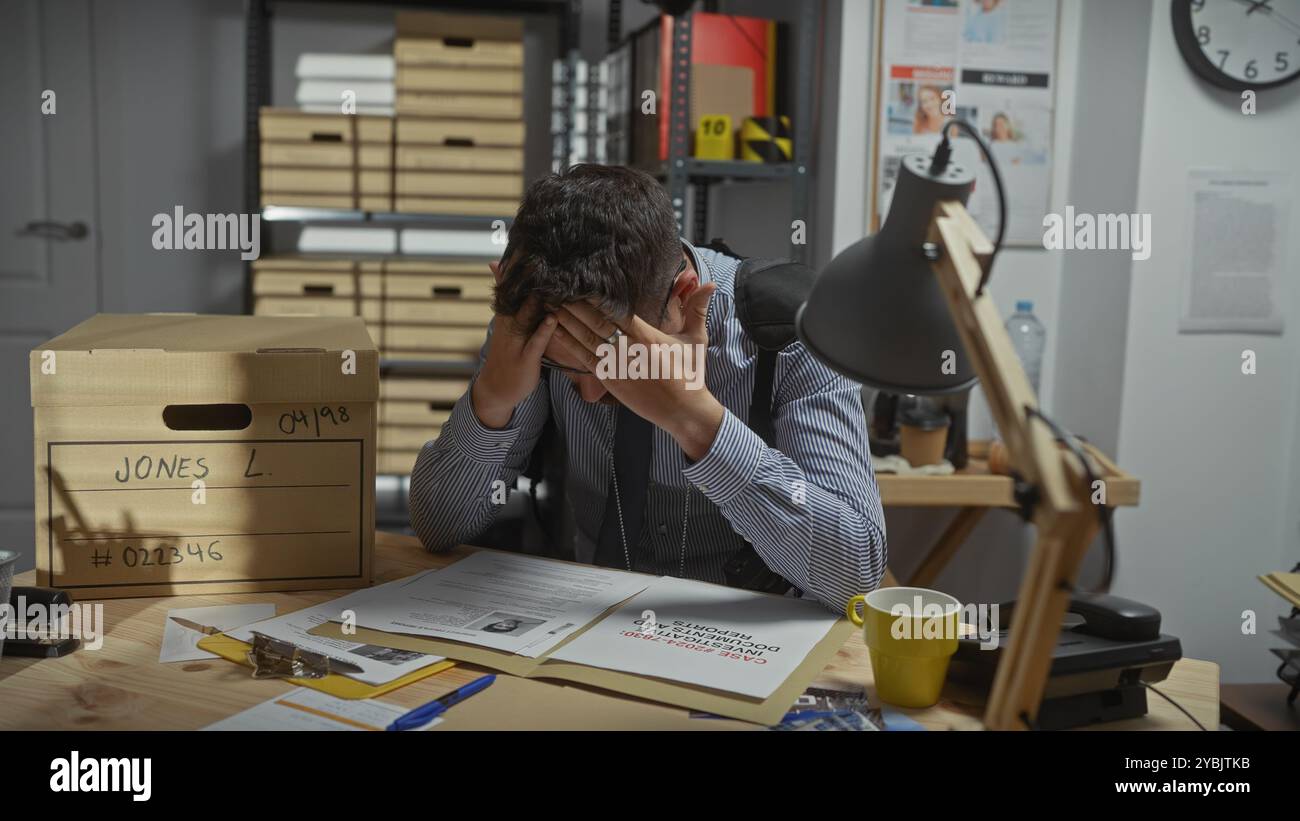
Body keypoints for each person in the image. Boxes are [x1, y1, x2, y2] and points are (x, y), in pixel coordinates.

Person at [408, 164, 886, 615]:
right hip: (587, 625)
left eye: (616, 361)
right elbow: (440, 528)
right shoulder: (534, 325)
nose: (590, 395)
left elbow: (857, 574)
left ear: (683, 295)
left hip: (755, 641)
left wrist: (698, 423)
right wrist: (492, 399)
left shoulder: (794, 330)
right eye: (568, 368)